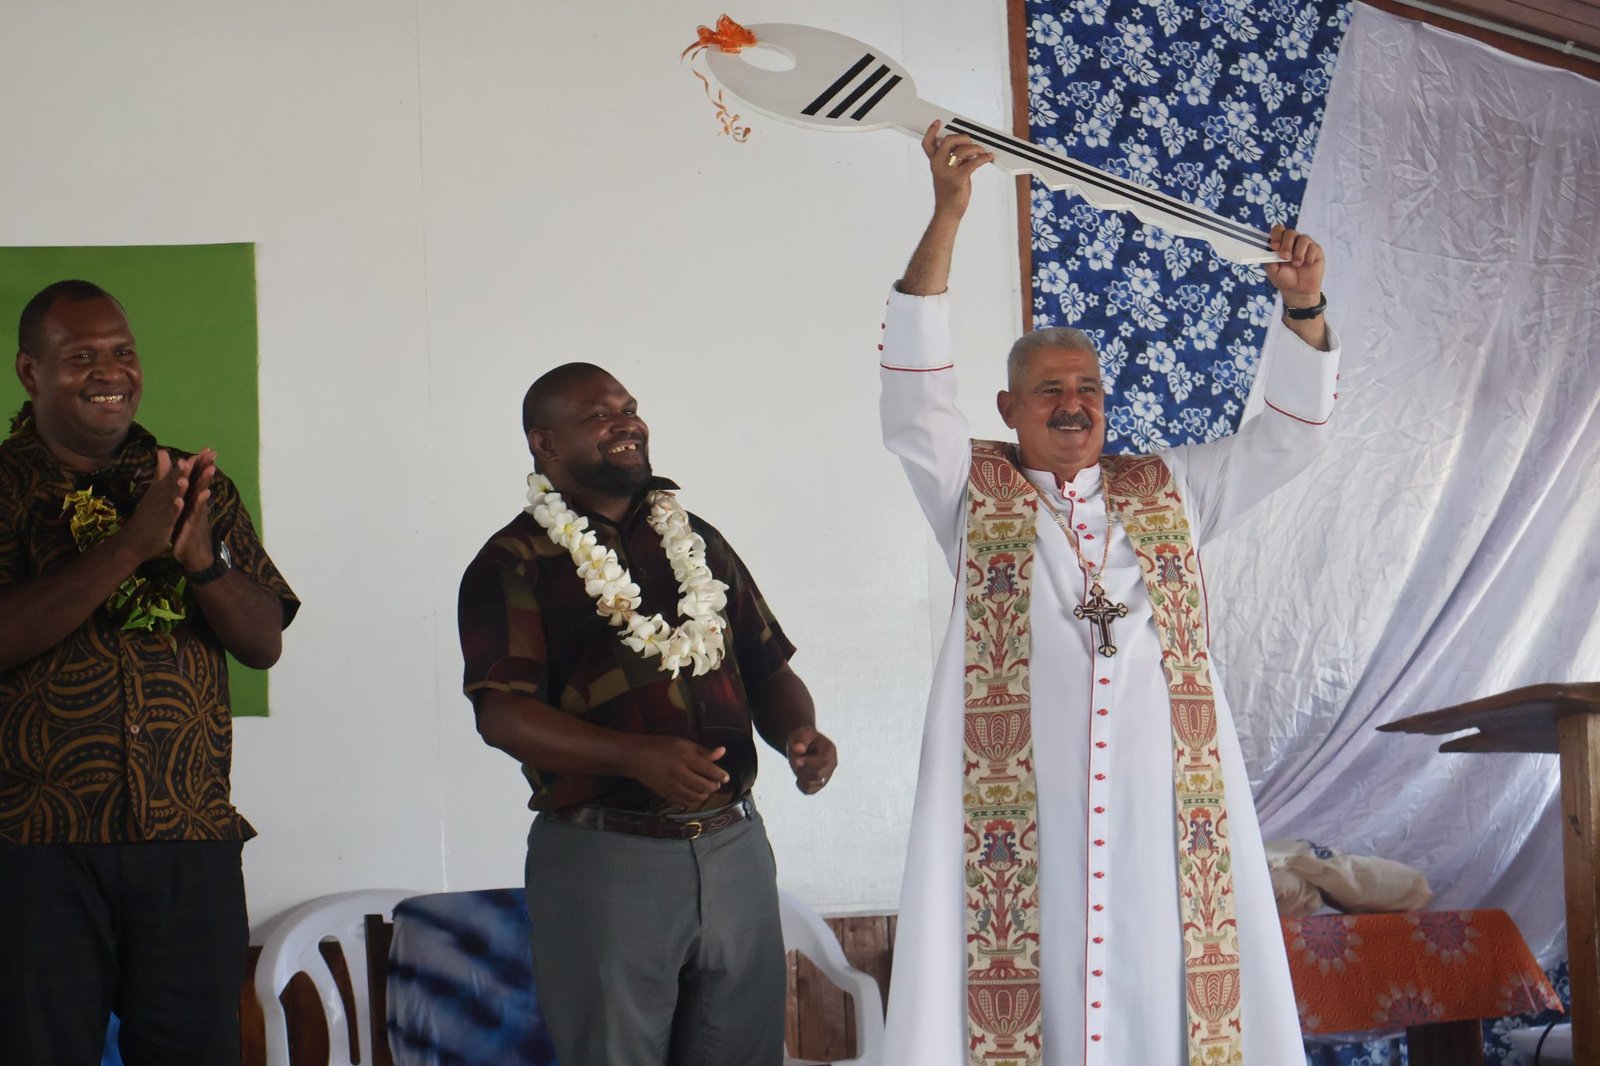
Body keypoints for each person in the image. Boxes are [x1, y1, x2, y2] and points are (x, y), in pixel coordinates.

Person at [877, 123, 1340, 1066]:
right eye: (1048, 390)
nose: (1074, 404)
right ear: (1008, 409)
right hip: (1015, 818)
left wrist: (1303, 309)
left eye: (1088, 386)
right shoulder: (973, 488)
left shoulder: (1168, 486)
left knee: (1166, 1001)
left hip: (1169, 812)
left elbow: (1290, 436)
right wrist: (949, 213)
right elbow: (911, 391)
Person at [457, 361, 837, 1066]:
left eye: (629, 407)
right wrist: (636, 757)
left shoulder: (698, 540)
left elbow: (767, 666)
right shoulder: (513, 561)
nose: (627, 422)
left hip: (735, 849)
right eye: (600, 415)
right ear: (545, 444)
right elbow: (502, 716)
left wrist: (798, 734)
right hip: (607, 857)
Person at [0, 280, 299, 1066]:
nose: (110, 372)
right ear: (32, 373)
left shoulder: (198, 487)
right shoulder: (2, 491)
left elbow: (263, 640)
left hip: (188, 837)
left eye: (123, 352)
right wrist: (130, 547)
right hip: (33, 845)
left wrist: (201, 560)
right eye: (82, 357)